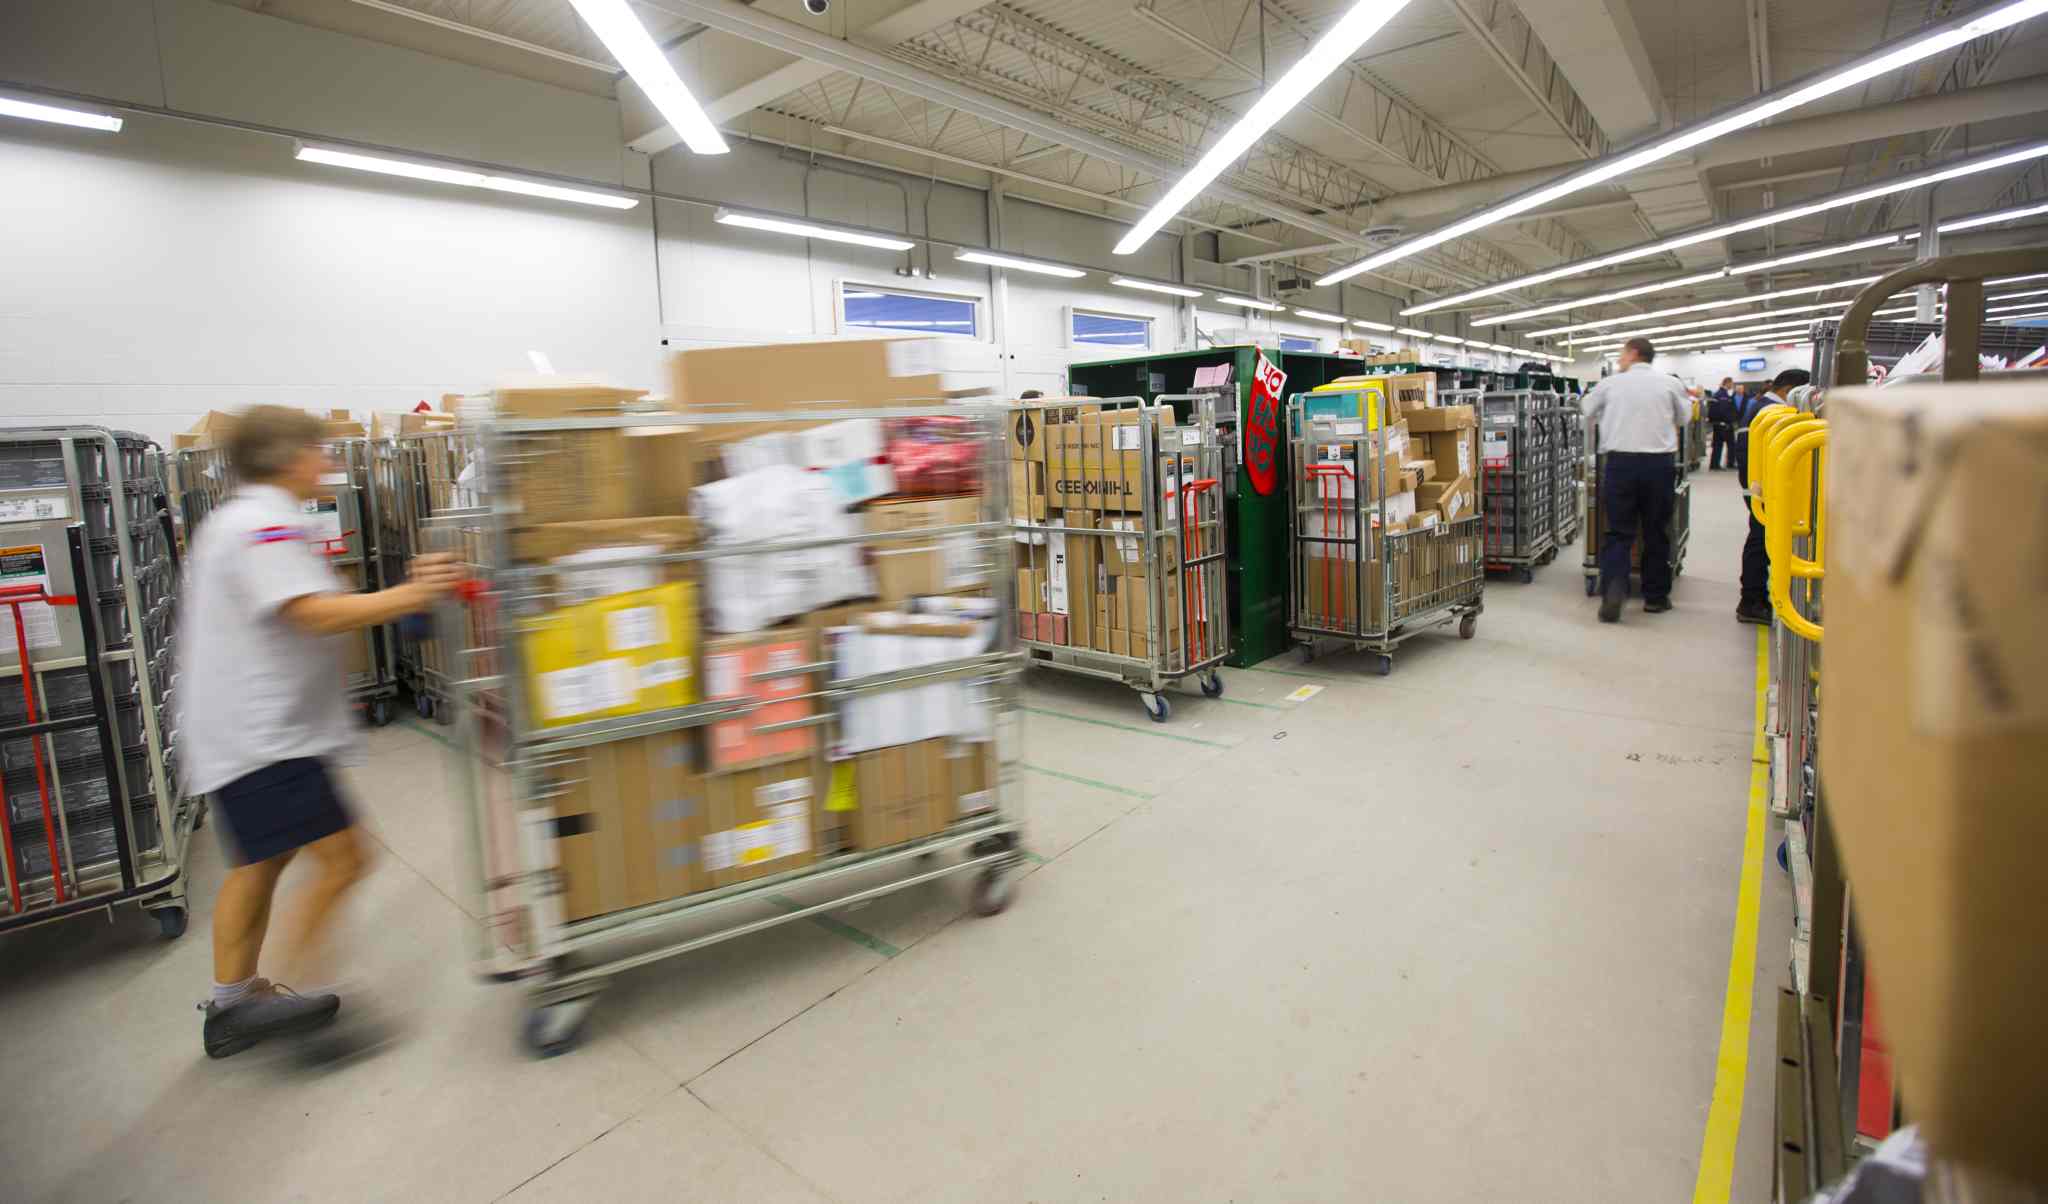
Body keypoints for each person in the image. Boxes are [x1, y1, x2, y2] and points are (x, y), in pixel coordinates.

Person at [177, 406, 459, 1059]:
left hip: (243, 735)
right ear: (286, 457)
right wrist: (413, 596)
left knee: (261, 862)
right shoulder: (262, 526)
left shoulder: (241, 521)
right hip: (263, 738)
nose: (327, 462)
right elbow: (312, 613)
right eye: (318, 450)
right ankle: (298, 1007)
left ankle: (231, 1009)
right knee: (346, 859)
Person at [1581, 336, 1690, 623]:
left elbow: (1586, 410)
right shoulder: (1670, 383)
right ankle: (1655, 597)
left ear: (1633, 354)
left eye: (1622, 354)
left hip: (1620, 464)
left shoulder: (1611, 384)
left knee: (1618, 532)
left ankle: (1614, 590)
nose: (1620, 359)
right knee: (1656, 530)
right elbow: (1685, 418)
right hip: (1658, 464)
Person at [1732, 368, 1812, 625]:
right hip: (1765, 487)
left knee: (1760, 538)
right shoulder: (1769, 411)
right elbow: (1749, 451)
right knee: (1760, 540)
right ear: (1788, 390)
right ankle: (1752, 600)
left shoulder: (1761, 406)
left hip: (1760, 485)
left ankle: (1754, 598)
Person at [1706, 378, 1738, 470]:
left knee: (1720, 444)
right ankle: (1723, 464)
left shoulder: (1719, 394)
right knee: (1725, 444)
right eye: (1731, 383)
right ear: (1727, 383)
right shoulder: (1722, 395)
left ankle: (1716, 464)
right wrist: (1729, 421)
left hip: (1720, 423)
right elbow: (1723, 411)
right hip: (1723, 424)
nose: (1732, 385)